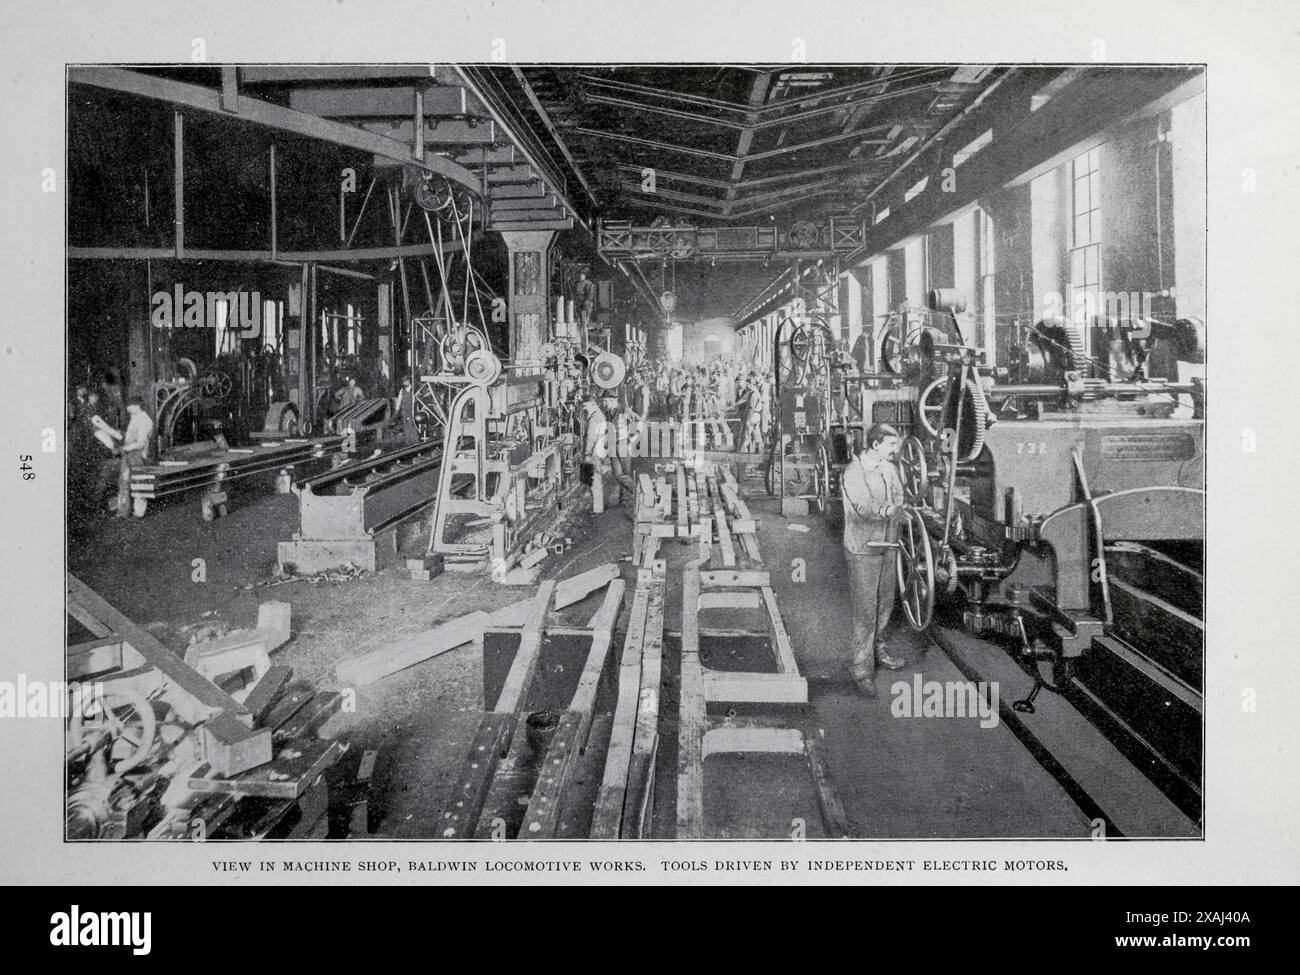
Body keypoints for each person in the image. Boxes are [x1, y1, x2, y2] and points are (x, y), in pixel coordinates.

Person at [840, 422, 907, 697]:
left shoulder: (889, 469)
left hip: (888, 546)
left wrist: (901, 510)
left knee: (884, 606)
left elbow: (900, 496)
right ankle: (861, 670)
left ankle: (878, 653)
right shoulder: (853, 472)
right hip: (863, 549)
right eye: (892, 445)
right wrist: (888, 509)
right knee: (865, 612)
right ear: (876, 444)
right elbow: (863, 508)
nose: (896, 451)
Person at [114, 394, 154, 517]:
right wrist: (122, 434)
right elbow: (132, 436)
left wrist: (124, 448)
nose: (128, 408)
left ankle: (139, 512)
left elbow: (141, 443)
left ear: (137, 406)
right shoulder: (135, 417)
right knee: (124, 481)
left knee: (139, 483)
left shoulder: (145, 420)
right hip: (129, 452)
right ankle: (123, 511)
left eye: (130, 406)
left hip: (138, 455)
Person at [393, 375, 419, 444]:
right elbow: (398, 401)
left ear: (409, 381)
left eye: (405, 381)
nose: (404, 383)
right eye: (403, 382)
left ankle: (415, 441)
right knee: (406, 426)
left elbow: (415, 400)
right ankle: (408, 442)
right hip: (404, 411)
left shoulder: (413, 390)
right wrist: (396, 410)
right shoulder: (402, 390)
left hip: (411, 411)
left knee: (412, 425)